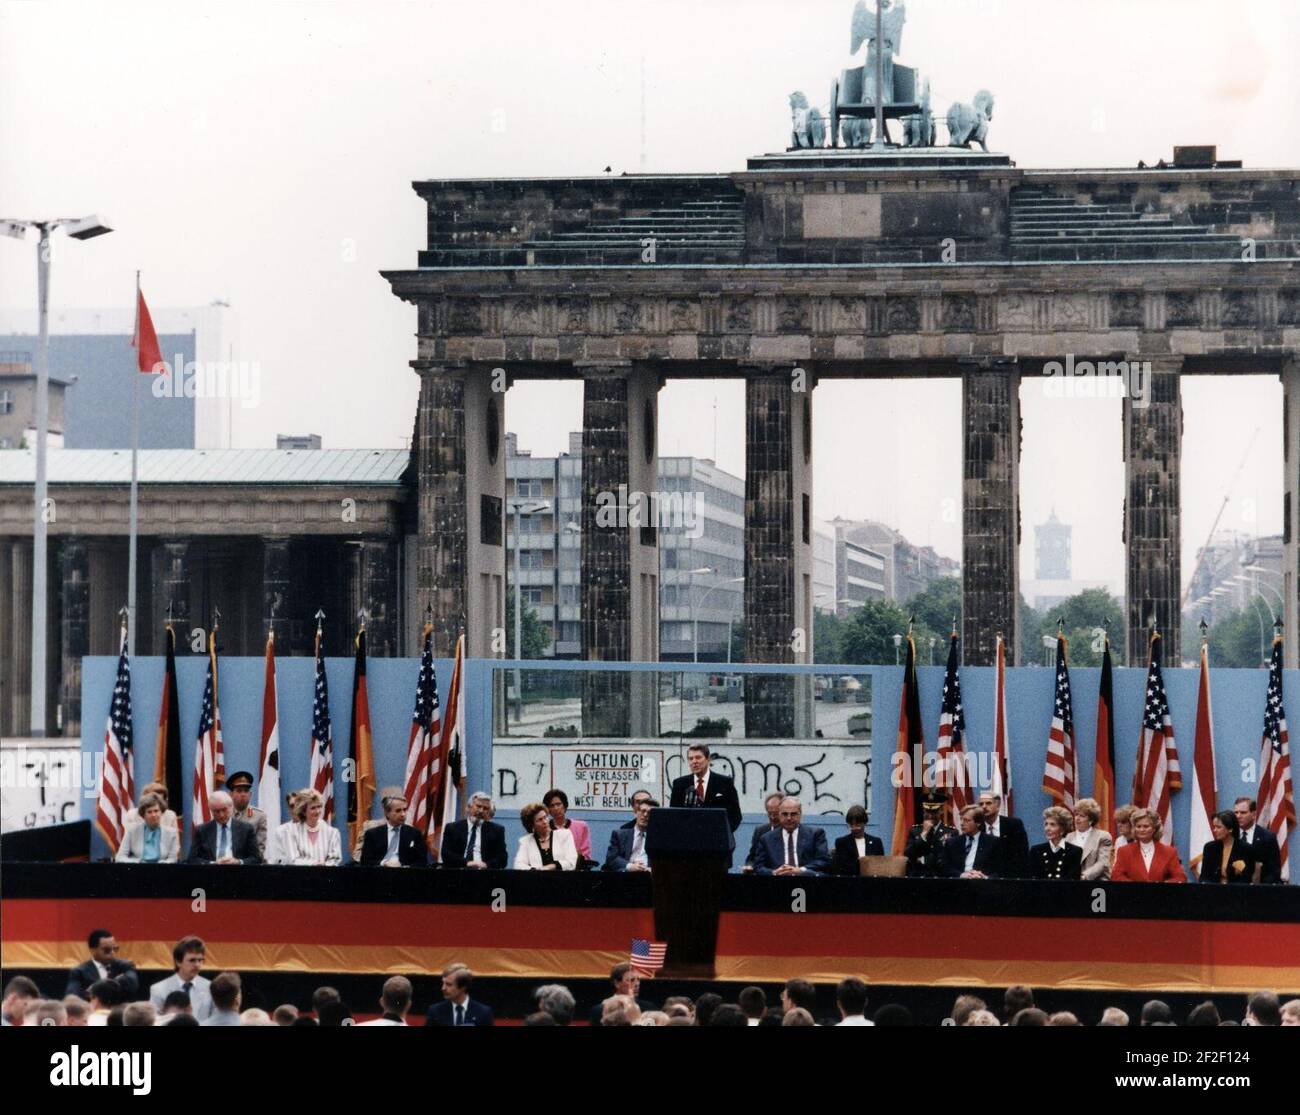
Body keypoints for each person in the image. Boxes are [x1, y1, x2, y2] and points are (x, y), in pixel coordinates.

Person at [668, 744, 742, 837]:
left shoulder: (724, 783)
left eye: (698, 757)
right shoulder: (680, 784)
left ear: (708, 759)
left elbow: (735, 815)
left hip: (717, 842)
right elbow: (674, 815)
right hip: (687, 842)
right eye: (691, 759)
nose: (694, 761)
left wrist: (722, 834)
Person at [753, 797, 831, 875]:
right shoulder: (766, 839)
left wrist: (800, 870)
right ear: (779, 814)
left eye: (793, 814)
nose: (789, 818)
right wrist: (774, 872)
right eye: (785, 814)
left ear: (800, 814)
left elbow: (823, 860)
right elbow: (758, 867)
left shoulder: (815, 834)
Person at [188, 791, 263, 865]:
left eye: (224, 810)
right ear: (211, 811)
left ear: (231, 807)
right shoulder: (202, 830)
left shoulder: (246, 829)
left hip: (238, 873)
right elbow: (192, 859)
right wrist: (212, 863)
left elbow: (256, 858)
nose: (221, 815)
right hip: (210, 873)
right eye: (216, 811)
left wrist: (238, 862)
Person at [1111, 808, 1186, 882]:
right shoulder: (1124, 851)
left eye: (1146, 826)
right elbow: (1116, 875)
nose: (1141, 830)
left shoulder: (1169, 852)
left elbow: (1180, 877)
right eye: (1138, 826)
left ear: (1154, 829)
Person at [149, 936, 213, 1021]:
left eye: (200, 960)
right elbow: (154, 1022)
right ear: (178, 962)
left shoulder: (210, 988)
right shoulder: (158, 989)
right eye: (192, 960)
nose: (197, 965)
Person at [65, 929, 140, 1000]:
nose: (112, 952)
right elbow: (72, 997)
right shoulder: (79, 971)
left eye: (115, 948)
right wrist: (117, 981)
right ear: (93, 950)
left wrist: (97, 988)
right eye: (107, 950)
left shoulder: (125, 965)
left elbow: (132, 984)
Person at [360, 791, 429, 867]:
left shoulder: (415, 834)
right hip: (380, 873)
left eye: (405, 810)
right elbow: (365, 861)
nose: (403, 814)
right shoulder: (372, 834)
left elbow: (422, 861)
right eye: (398, 810)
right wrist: (384, 863)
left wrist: (405, 867)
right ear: (387, 813)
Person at [441, 792, 508, 869]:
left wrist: (486, 865)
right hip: (459, 872)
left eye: (485, 808)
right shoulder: (453, 828)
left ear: (489, 813)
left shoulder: (496, 831)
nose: (481, 811)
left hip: (484, 873)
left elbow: (502, 859)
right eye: (478, 806)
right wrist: (467, 863)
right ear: (468, 807)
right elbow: (446, 855)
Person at [276, 788, 342, 865]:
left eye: (319, 806)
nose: (317, 811)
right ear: (303, 811)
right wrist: (313, 864)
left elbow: (335, 858)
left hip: (325, 875)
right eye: (313, 808)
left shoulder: (332, 832)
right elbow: (292, 860)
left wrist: (325, 865)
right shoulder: (291, 831)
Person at [940, 805, 1003, 878]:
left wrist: (985, 877)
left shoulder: (992, 842)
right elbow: (944, 867)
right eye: (961, 819)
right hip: (958, 884)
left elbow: (999, 870)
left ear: (978, 823)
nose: (962, 823)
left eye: (966, 820)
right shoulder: (952, 842)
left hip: (982, 885)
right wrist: (961, 875)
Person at [115, 794, 180, 864]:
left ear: (161, 812)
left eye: (156, 811)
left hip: (162, 871)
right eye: (149, 812)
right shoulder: (132, 831)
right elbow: (120, 857)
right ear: (143, 815)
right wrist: (138, 862)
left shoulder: (172, 833)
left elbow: (173, 859)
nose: (153, 815)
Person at [904, 791, 956, 876]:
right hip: (918, 876)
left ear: (941, 810)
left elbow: (952, 858)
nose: (930, 816)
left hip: (941, 876)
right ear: (924, 810)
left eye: (934, 812)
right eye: (927, 812)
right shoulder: (915, 831)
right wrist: (923, 834)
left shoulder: (951, 832)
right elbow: (908, 854)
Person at [1232, 797, 1283, 884]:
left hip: (1261, 890)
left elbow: (1274, 872)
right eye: (1236, 812)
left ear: (1254, 814)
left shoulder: (1268, 837)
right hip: (1232, 890)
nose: (1238, 816)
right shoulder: (1230, 836)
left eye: (1243, 813)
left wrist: (1259, 888)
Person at [514, 801, 577, 870]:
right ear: (532, 825)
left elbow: (571, 863)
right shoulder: (525, 841)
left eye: (545, 817)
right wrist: (534, 870)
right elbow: (518, 865)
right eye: (540, 820)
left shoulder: (565, 835)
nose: (545, 821)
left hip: (562, 879)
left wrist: (551, 866)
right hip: (537, 879)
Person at [977, 791, 1028, 876]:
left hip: (1010, 878)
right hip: (982, 879)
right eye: (981, 804)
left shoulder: (1013, 825)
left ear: (998, 806)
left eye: (988, 803)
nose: (984, 806)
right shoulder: (977, 827)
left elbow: (1021, 856)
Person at [1198, 809, 1256, 884]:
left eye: (1218, 827)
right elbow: (1204, 877)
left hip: (1236, 892)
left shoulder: (1245, 849)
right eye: (1214, 827)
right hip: (1212, 891)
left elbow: (1246, 879)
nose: (1214, 830)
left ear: (1230, 829)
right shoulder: (1209, 848)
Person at [588, 963, 656, 1025]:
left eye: (638, 979)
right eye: (631, 980)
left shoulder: (649, 1007)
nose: (637, 984)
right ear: (617, 983)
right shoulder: (599, 1010)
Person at [426, 966, 494, 1027]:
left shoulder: (483, 1012)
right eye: (443, 983)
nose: (443, 988)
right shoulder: (435, 1011)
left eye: (448, 984)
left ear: (463, 987)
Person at [1029, 805, 1083, 880]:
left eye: (1052, 825)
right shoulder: (1036, 850)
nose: (1047, 828)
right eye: (1046, 824)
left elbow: (1073, 880)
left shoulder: (1075, 851)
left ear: (1063, 829)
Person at [225, 770, 269, 861]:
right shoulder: (224, 814)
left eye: (246, 791)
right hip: (225, 863)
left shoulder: (259, 816)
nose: (243, 794)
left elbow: (259, 848)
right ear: (231, 794)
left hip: (249, 865)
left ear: (250, 794)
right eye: (239, 791)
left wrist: (241, 862)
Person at [1066, 797, 1113, 881]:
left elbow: (1102, 863)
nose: (1077, 818)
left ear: (1091, 819)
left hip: (1095, 882)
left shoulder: (1103, 836)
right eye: (1076, 814)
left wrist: (1083, 877)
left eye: (1082, 816)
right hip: (1071, 883)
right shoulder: (1068, 837)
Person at [831, 803, 885, 875]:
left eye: (858, 824)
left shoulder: (876, 842)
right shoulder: (842, 842)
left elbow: (880, 867)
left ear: (864, 823)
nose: (854, 828)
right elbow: (840, 868)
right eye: (851, 825)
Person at [604, 797, 656, 871]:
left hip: (649, 877)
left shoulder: (658, 839)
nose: (645, 815)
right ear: (636, 812)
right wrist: (630, 866)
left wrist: (652, 869)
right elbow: (612, 857)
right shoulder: (620, 835)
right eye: (643, 811)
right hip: (625, 877)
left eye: (650, 813)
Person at [543, 788, 591, 863]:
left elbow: (586, 855)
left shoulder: (581, 827)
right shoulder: (543, 828)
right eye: (552, 806)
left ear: (565, 805)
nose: (556, 808)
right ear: (548, 810)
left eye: (558, 804)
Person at [743, 793, 784, 872]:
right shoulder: (760, 830)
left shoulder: (792, 831)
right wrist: (749, 866)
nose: (772, 817)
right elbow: (752, 857)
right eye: (769, 813)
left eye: (775, 814)